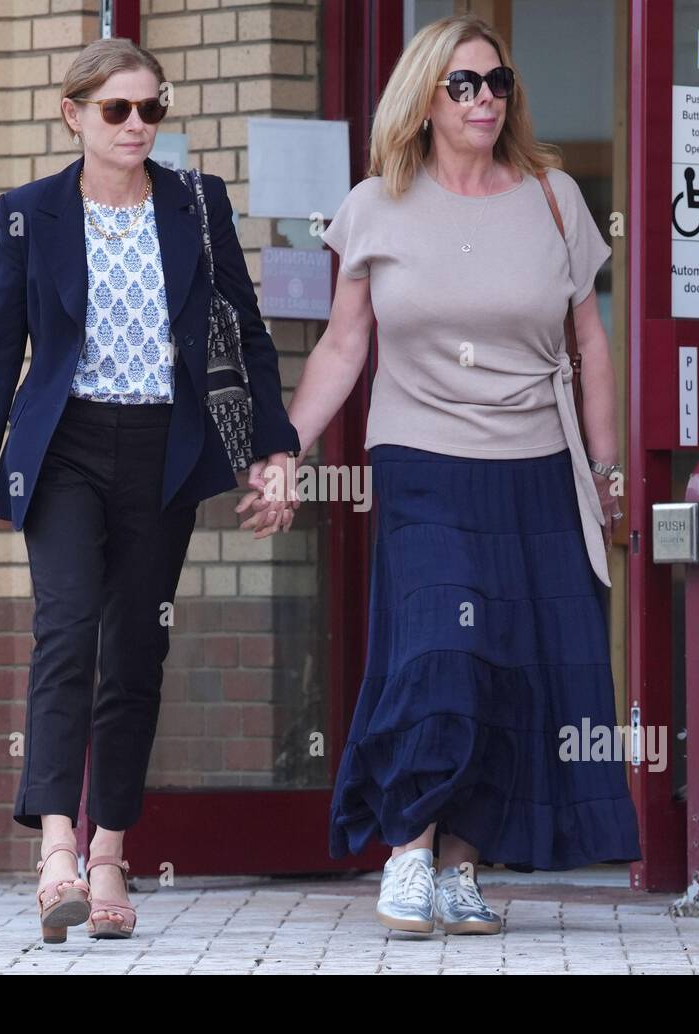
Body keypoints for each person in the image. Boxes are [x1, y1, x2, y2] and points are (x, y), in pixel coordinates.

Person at [238, 13, 641, 935]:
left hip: (537, 464)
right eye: (464, 84)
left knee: (512, 670)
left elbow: (591, 344)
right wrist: (285, 453)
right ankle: (409, 850)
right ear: (425, 97)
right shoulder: (379, 203)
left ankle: (463, 862)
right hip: (423, 463)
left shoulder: (552, 198)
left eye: (497, 82)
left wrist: (607, 467)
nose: (485, 99)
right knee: (441, 655)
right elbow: (346, 344)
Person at [0, 38, 300, 942]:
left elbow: (247, 337)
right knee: (65, 630)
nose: (138, 126)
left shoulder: (197, 205)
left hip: (163, 450)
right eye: (117, 111)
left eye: (152, 109)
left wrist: (275, 448)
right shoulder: (31, 213)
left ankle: (109, 849)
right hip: (63, 449)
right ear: (75, 116)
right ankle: (56, 846)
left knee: (135, 649)